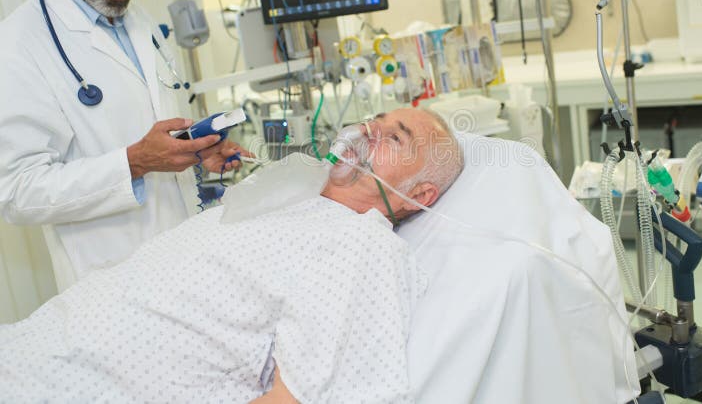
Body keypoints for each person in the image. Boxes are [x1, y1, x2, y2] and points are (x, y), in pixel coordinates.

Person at [0, 108, 464, 403]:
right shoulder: (295, 199)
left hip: (68, 385)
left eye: (395, 138)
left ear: (416, 194)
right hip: (37, 349)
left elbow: (301, 397)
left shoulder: (363, 247)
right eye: (375, 119)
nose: (368, 130)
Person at [0, 0, 243, 291]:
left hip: (189, 261)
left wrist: (195, 154)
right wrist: (134, 162)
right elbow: (17, 191)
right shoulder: (18, 44)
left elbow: (152, 128)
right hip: (113, 288)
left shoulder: (137, 22)